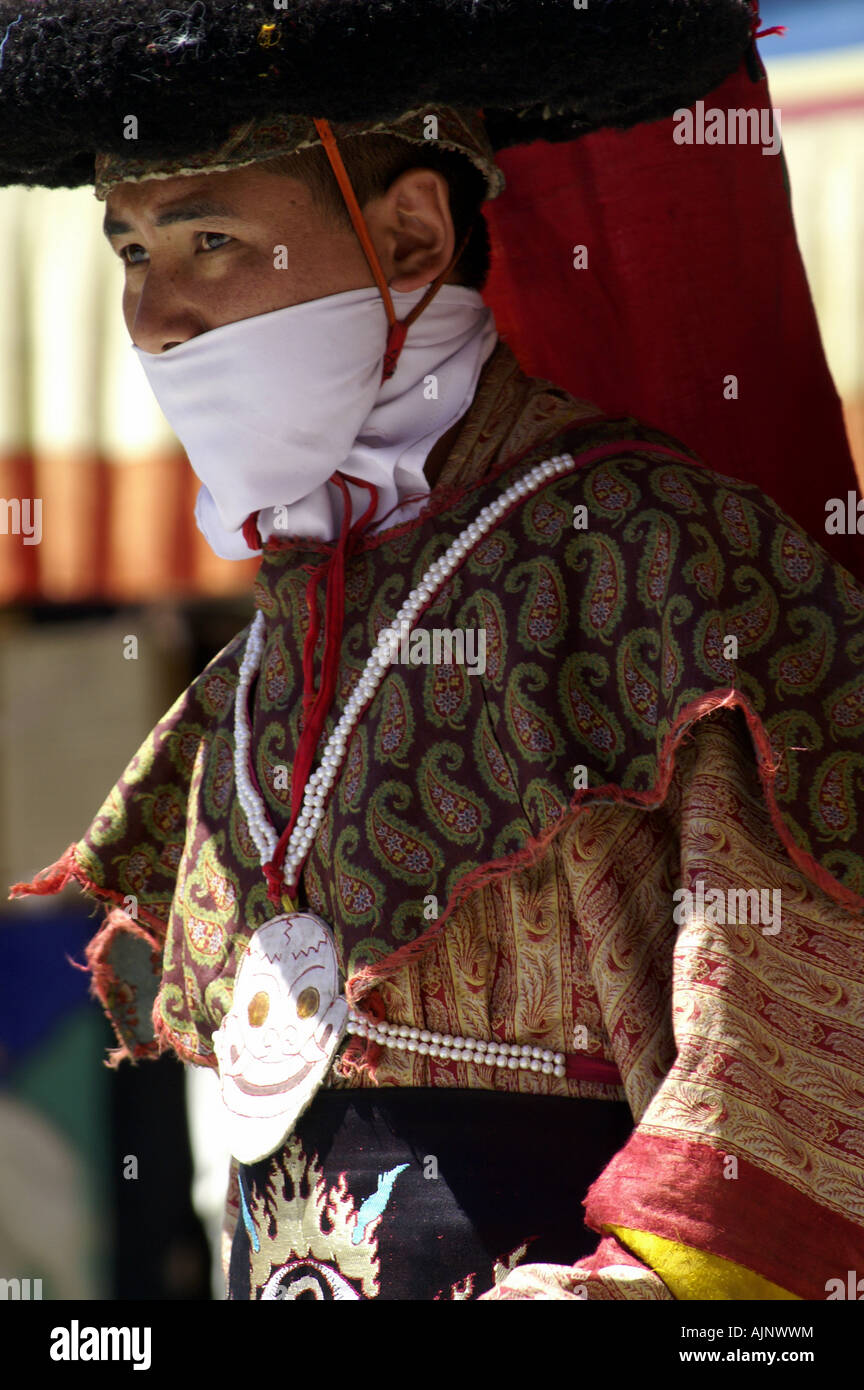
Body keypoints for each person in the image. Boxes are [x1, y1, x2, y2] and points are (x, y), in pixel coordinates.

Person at [5, 0, 864, 1300]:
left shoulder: (656, 559)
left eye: (209, 239)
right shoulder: (291, 616)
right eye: (130, 251)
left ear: (409, 233)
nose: (154, 315)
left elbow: (803, 1063)